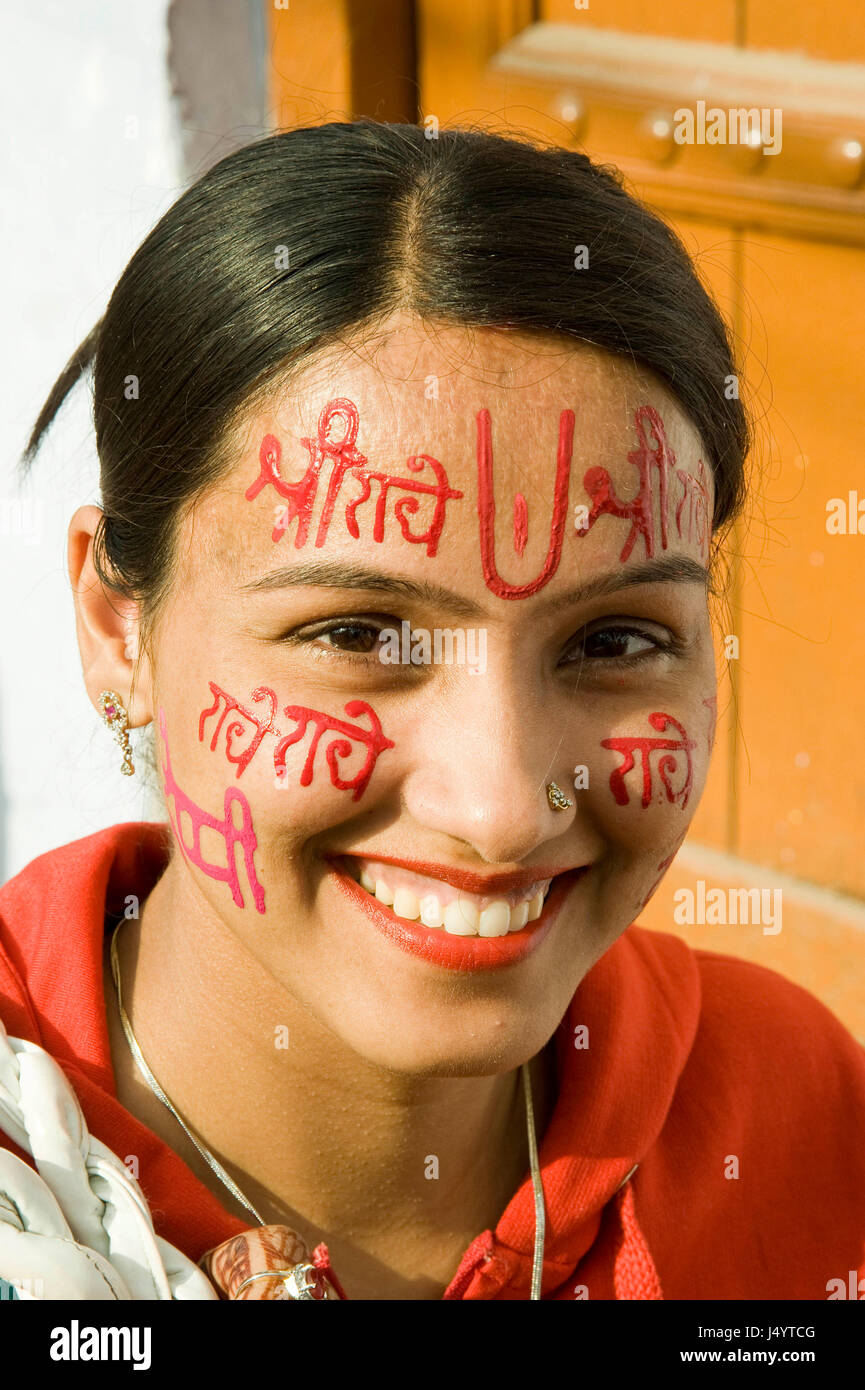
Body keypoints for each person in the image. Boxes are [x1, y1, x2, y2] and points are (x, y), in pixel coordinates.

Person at [1, 121, 863, 1302]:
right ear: (118, 626)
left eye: (613, 641)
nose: (503, 807)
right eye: (357, 634)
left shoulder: (787, 1108)